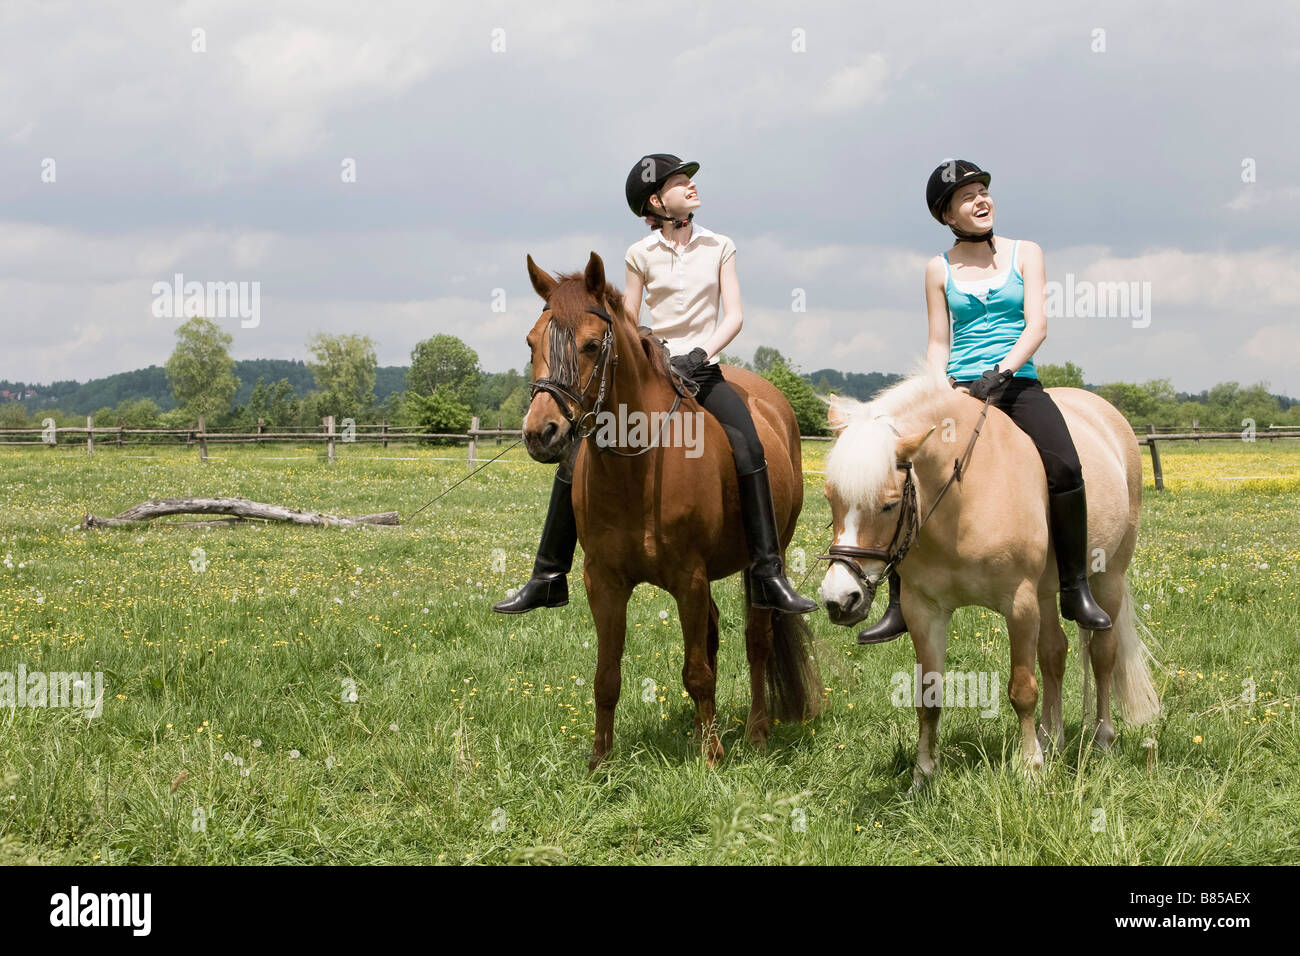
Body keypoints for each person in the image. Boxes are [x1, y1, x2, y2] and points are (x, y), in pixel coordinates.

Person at [494, 154, 816, 616]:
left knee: (748, 446)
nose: (691, 188)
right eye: (680, 183)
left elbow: (735, 316)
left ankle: (767, 573)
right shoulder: (638, 254)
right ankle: (548, 574)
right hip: (657, 366)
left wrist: (700, 354)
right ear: (656, 200)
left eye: (689, 182)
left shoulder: (719, 246)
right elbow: (629, 319)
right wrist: (649, 356)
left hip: (704, 370)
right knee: (579, 454)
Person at [855, 159, 1113, 644]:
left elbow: (1037, 324)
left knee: (1065, 467)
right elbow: (938, 341)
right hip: (957, 390)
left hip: (1016, 385)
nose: (981, 200)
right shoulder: (938, 269)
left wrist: (1004, 371)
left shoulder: (1026, 253)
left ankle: (1075, 587)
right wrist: (939, 390)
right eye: (967, 197)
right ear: (947, 216)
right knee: (902, 473)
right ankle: (898, 601)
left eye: (983, 191)